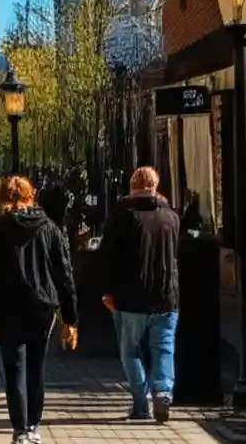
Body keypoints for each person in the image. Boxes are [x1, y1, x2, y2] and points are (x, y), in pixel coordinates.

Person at [0, 176, 78, 444]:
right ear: (31, 195)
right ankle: (33, 424)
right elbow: (64, 274)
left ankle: (20, 427)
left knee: (15, 368)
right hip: (41, 308)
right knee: (36, 366)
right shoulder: (49, 229)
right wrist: (70, 317)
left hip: (6, 309)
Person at [99, 167, 181, 423]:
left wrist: (108, 290)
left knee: (130, 350)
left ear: (132, 186)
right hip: (167, 294)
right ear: (156, 185)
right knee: (164, 347)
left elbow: (109, 256)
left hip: (131, 296)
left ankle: (140, 402)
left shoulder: (122, 216)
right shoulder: (171, 217)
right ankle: (163, 390)